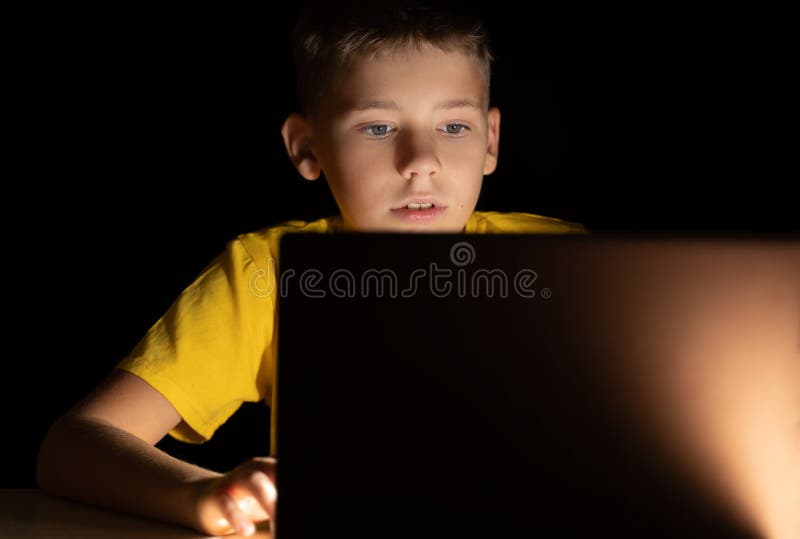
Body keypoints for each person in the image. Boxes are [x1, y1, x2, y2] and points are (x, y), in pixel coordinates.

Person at [36, 0, 585, 536]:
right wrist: (202, 494)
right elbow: (74, 447)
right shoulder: (266, 274)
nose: (422, 161)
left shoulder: (571, 265)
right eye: (377, 128)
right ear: (306, 146)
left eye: (454, 127)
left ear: (491, 140)